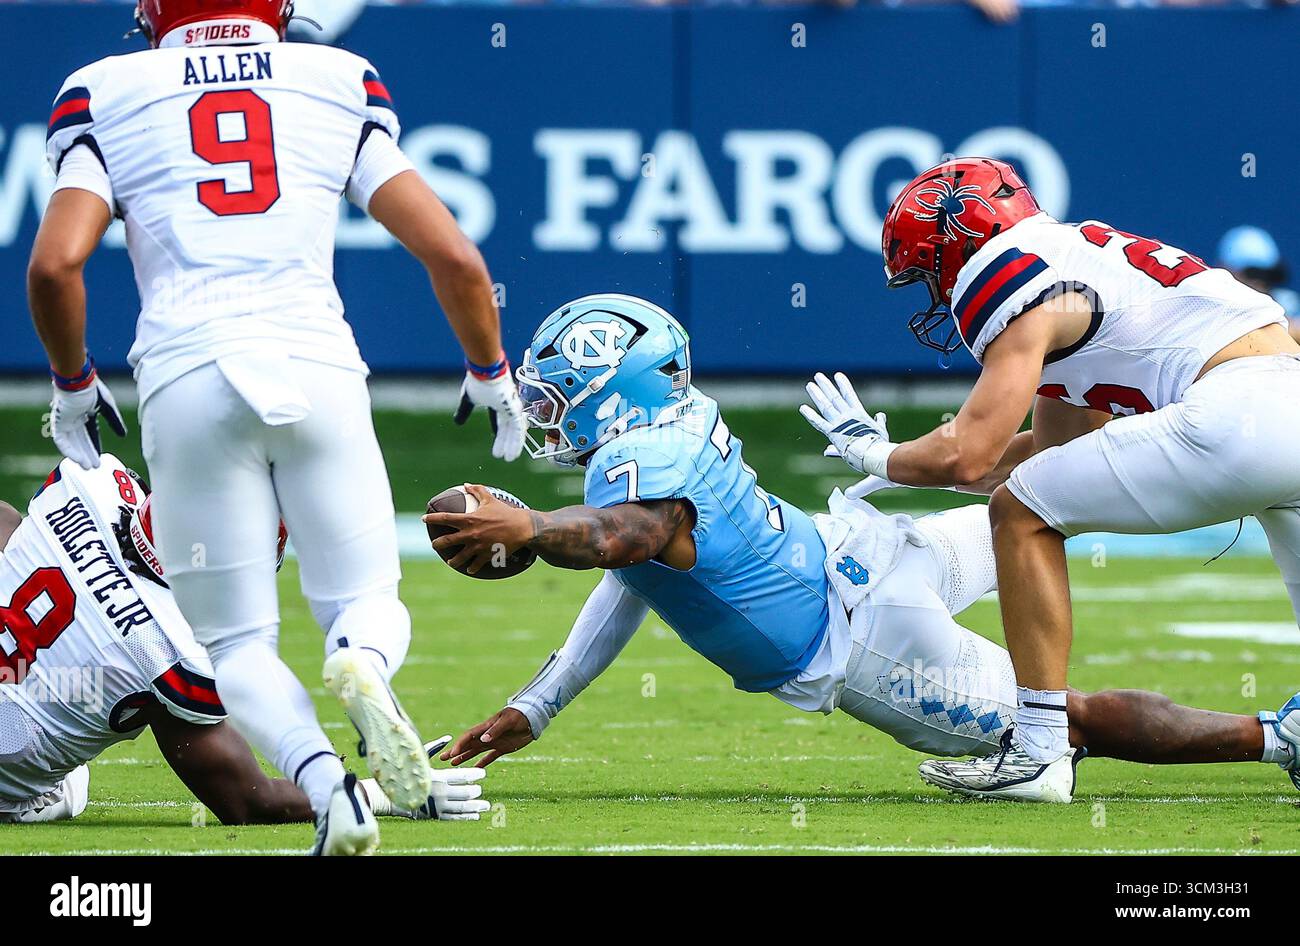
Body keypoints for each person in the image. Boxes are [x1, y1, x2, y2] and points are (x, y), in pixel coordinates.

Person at [421, 294, 1300, 801]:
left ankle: (1276, 740)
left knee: (1058, 726)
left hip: (868, 644)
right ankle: (1202, 457)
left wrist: (534, 529)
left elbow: (631, 539)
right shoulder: (669, 427)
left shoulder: (637, 466)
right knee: (1038, 503)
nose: (546, 415)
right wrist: (539, 703)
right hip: (873, 555)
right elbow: (636, 571)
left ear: (616, 390)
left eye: (557, 396)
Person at [27, 0, 525, 853]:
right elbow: (456, 257)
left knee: (236, 642)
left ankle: (332, 792)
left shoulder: (104, 89)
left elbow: (55, 263)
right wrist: (489, 372)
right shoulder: (336, 80)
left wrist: (73, 382)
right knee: (367, 600)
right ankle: (363, 658)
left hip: (185, 376)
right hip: (315, 362)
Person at [796, 156, 1300, 800]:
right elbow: (1052, 458)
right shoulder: (1078, 268)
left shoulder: (1005, 269)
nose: (934, 290)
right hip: (1280, 407)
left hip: (1237, 413)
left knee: (1019, 513)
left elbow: (973, 455)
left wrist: (880, 455)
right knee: (1028, 503)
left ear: (955, 243)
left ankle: (1039, 750)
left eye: (928, 270)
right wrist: (916, 464)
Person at [0, 455, 488, 830]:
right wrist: (380, 793)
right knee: (67, 788)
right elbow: (248, 800)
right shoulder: (170, 654)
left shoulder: (88, 483)